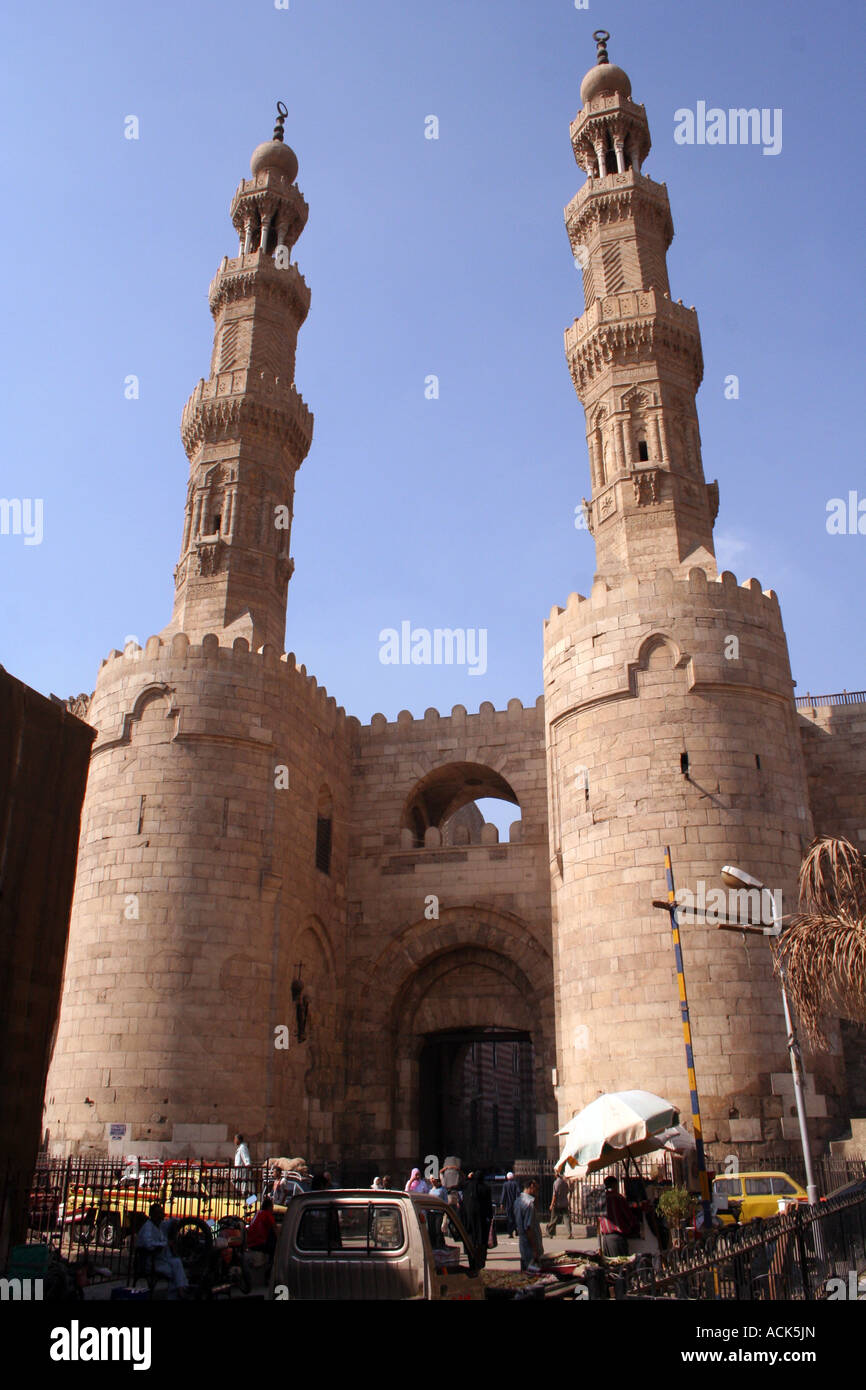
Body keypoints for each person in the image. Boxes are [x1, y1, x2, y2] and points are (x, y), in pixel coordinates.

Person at [136, 1202, 188, 1292]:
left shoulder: (159, 1225)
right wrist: (165, 1244)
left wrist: (176, 1222)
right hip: (151, 1262)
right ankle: (178, 1292)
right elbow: (148, 1244)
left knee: (177, 1262)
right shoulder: (147, 1228)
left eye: (161, 1214)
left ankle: (182, 1289)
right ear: (152, 1215)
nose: (161, 1217)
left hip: (161, 1259)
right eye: (158, 1214)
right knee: (175, 1274)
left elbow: (171, 1221)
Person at [460, 1171, 494, 1268]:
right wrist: (490, 1217)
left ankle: (472, 1261)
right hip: (481, 1221)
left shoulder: (467, 1186)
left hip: (469, 1220)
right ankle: (481, 1262)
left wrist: (468, 1177)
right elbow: (488, 1205)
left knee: (470, 1240)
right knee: (481, 1242)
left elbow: (459, 1185)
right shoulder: (485, 1188)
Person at [599, 1175, 637, 1256]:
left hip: (605, 1239)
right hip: (617, 1238)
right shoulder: (618, 1198)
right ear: (614, 1185)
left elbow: (599, 1218)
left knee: (610, 1265)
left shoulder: (601, 1198)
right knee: (620, 1265)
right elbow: (629, 1217)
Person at [514, 1179, 544, 1271]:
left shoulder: (518, 1201)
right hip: (530, 1245)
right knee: (533, 1272)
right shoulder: (529, 1204)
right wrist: (535, 1249)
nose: (537, 1192)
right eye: (536, 1189)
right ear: (531, 1186)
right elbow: (529, 1228)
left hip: (523, 1243)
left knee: (525, 1269)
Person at [246, 1195, 277, 1260]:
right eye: (272, 1207)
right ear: (269, 1207)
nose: (272, 1209)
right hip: (260, 1243)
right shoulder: (267, 1214)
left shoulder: (258, 1213)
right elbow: (275, 1229)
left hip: (250, 1243)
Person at [547, 1169, 573, 1239]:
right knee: (567, 1218)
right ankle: (570, 1232)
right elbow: (568, 1191)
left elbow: (554, 1195)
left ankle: (550, 1231)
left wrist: (552, 1204)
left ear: (556, 1175)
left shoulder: (556, 1183)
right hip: (564, 1202)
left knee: (554, 1218)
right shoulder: (565, 1183)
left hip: (557, 1203)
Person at [502, 1171, 520, 1237]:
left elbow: (504, 1194)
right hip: (515, 1203)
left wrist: (502, 1203)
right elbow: (518, 1193)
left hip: (508, 1204)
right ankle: (516, 1230)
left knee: (509, 1218)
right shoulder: (516, 1184)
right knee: (515, 1217)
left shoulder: (505, 1184)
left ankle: (510, 1233)